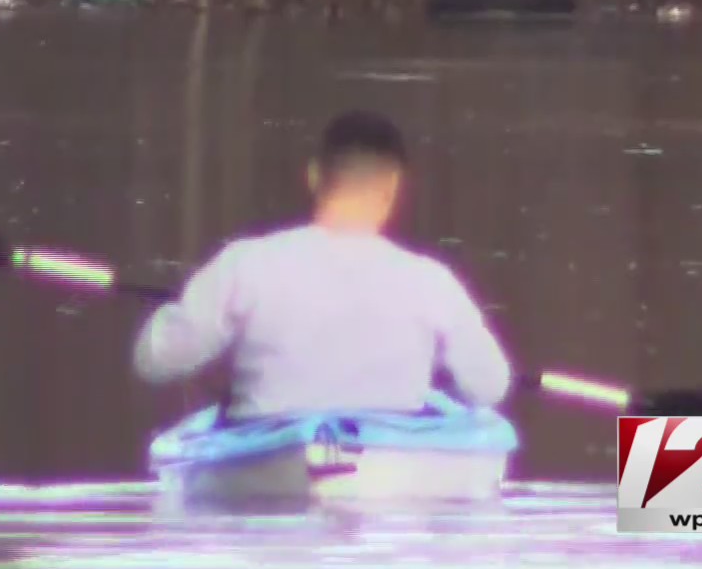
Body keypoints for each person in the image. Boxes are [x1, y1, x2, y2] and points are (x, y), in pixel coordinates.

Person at [132, 110, 513, 418]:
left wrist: (179, 308)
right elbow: (490, 386)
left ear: (315, 176)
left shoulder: (247, 264)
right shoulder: (432, 282)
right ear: (393, 187)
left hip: (269, 448)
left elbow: (155, 361)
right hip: (391, 469)